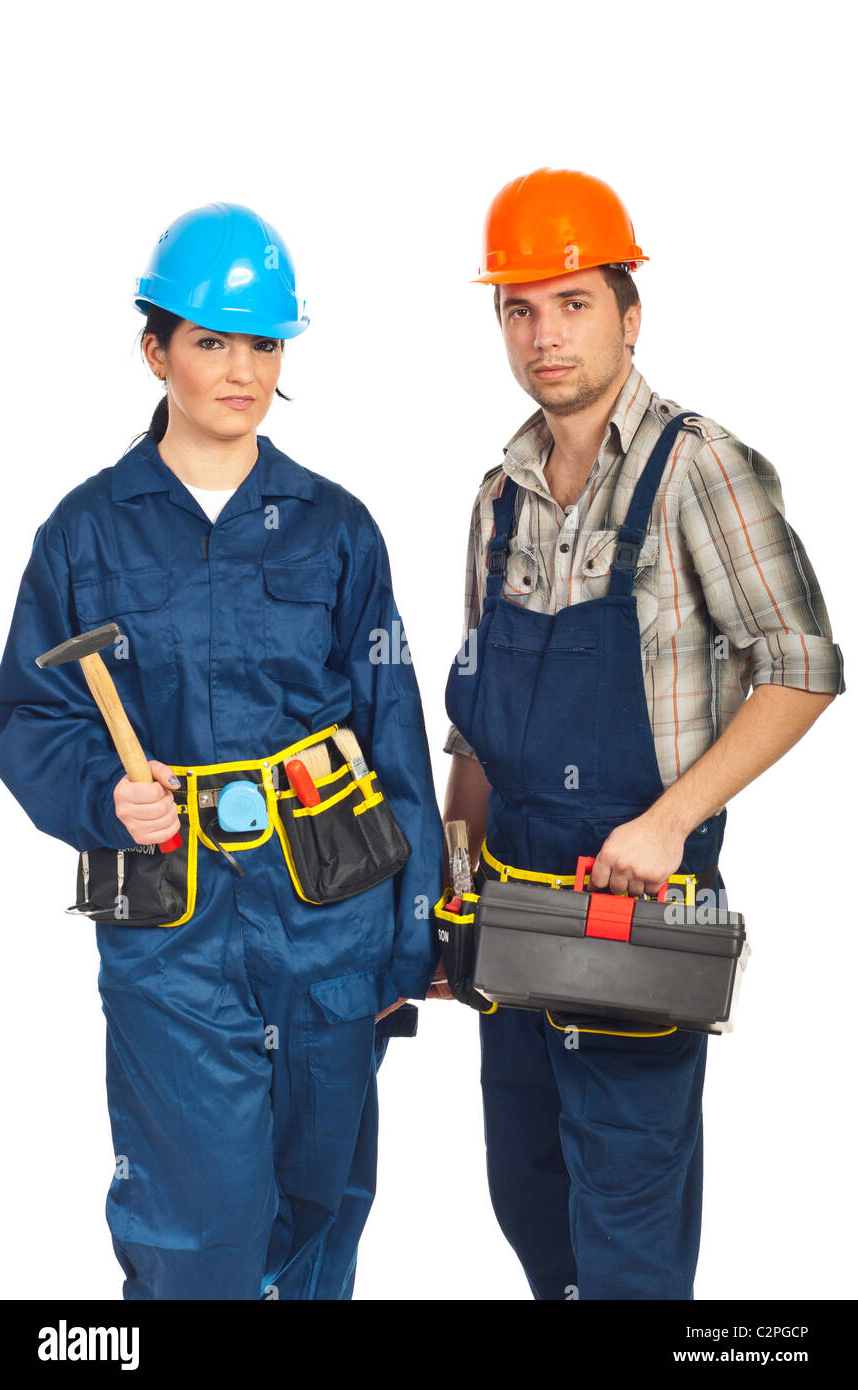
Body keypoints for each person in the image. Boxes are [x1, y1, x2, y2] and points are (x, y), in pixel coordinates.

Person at [0, 201, 442, 1300]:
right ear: (155, 350)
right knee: (193, 1233)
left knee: (320, 1202)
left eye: (263, 344)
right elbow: (22, 716)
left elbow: (394, 725)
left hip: (330, 915)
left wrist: (411, 929)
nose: (241, 370)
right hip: (172, 928)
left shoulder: (337, 528)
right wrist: (104, 795)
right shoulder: (86, 532)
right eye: (210, 341)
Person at [438, 168, 844, 1300]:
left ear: (629, 312)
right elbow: (475, 719)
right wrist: (449, 886)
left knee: (625, 1229)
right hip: (508, 921)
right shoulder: (498, 496)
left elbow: (803, 664)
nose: (544, 334)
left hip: (636, 913)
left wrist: (671, 820)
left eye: (572, 301)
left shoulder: (699, 467)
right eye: (519, 308)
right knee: (529, 1201)